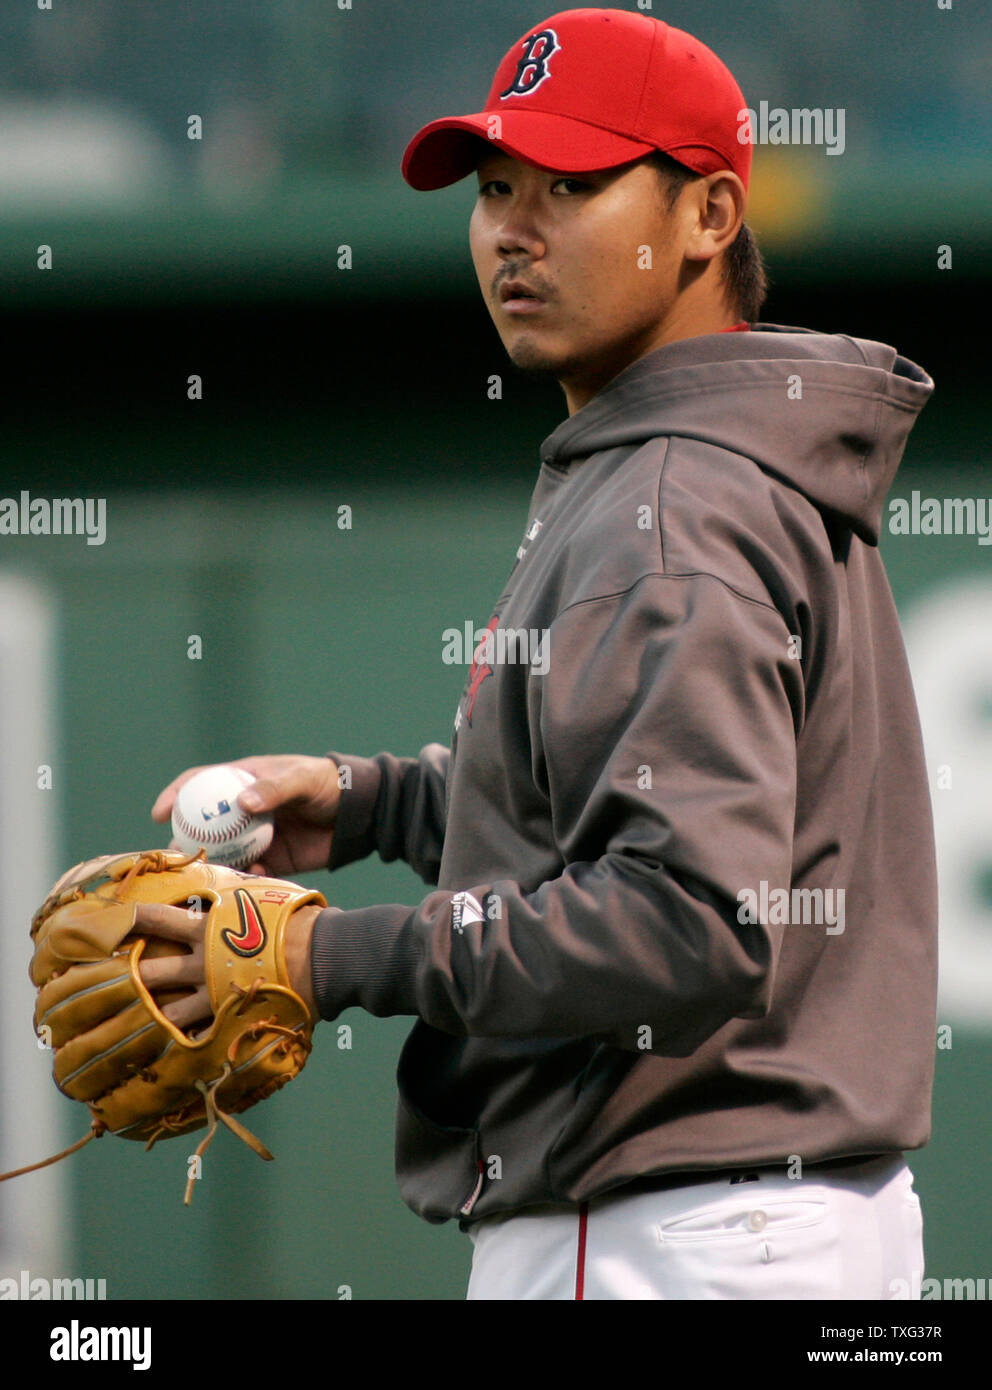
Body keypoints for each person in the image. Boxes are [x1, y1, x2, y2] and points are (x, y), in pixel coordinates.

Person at [145, 9, 938, 1300]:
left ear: (711, 214)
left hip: (669, 1228)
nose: (514, 227)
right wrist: (368, 802)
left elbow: (687, 919)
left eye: (572, 186)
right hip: (754, 1224)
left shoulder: (673, 507)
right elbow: (611, 811)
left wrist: (325, 956)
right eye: (497, 189)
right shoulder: (708, 466)